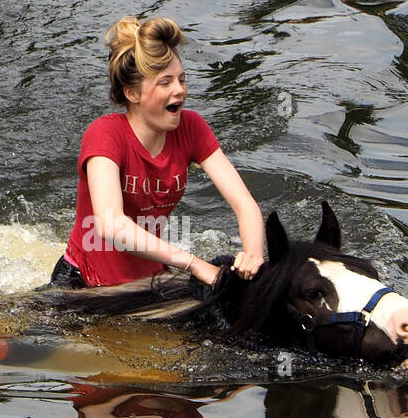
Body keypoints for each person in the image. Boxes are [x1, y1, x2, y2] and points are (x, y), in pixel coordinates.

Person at [49, 15, 265, 290]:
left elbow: (243, 203)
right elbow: (111, 225)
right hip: (86, 283)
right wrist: (194, 264)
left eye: (182, 80)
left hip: (152, 281)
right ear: (133, 93)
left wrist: (253, 257)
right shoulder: (104, 134)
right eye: (165, 83)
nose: (180, 91)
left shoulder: (192, 128)